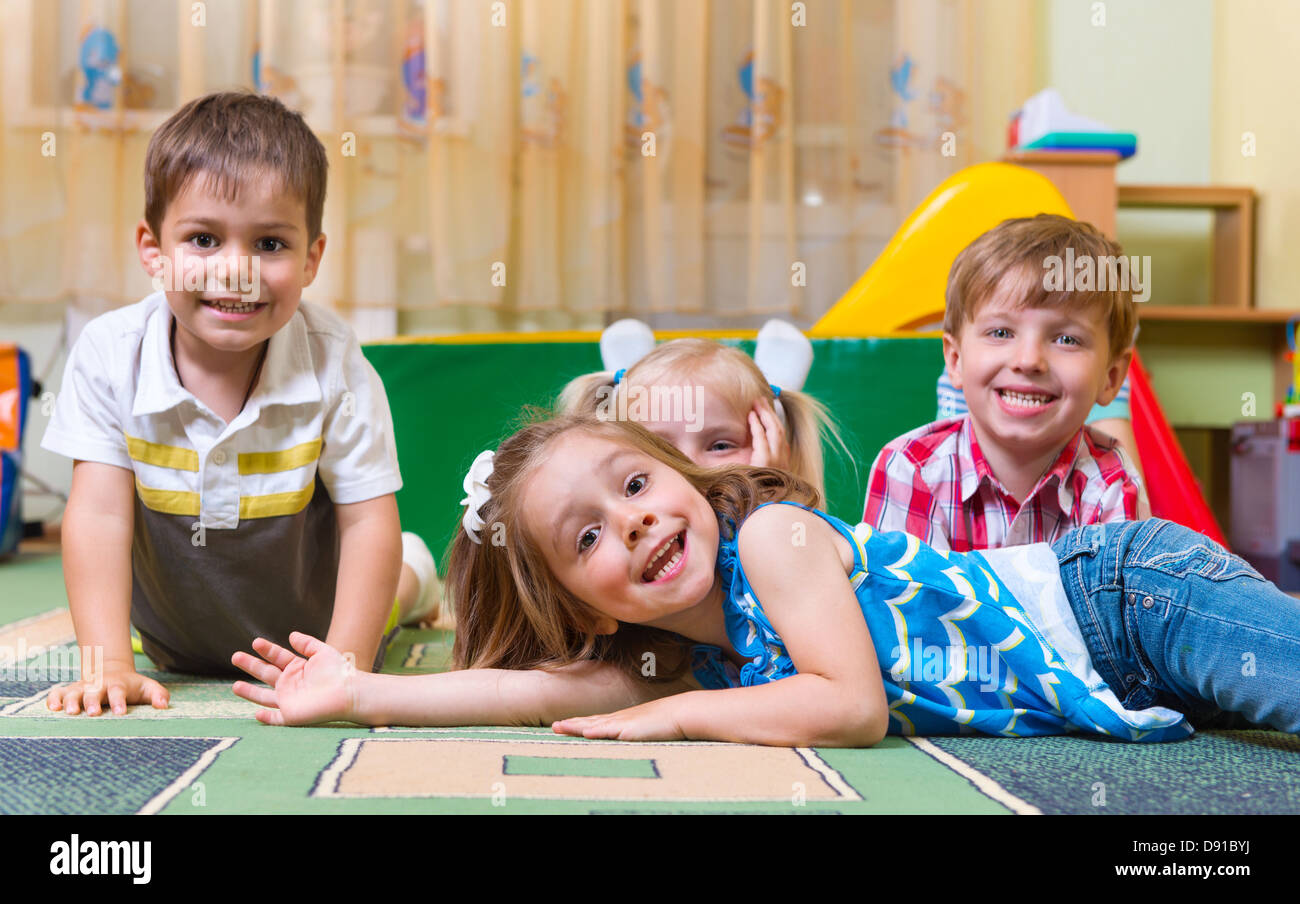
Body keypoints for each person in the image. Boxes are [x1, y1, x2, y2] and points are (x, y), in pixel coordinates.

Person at [230, 414, 1300, 743]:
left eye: (637, 482)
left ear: (682, 472)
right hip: (1116, 671)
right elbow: (529, 693)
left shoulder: (775, 541)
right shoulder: (690, 651)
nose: (635, 520)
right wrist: (359, 690)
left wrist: (677, 716)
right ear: (580, 607)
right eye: (589, 537)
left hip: (1123, 597)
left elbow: (850, 706)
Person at [41, 91, 439, 717]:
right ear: (153, 251)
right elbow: (97, 515)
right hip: (173, 639)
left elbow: (367, 523)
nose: (236, 271)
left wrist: (346, 669)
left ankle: (418, 577)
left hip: (313, 634)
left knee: (396, 581)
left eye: (270, 244)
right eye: (203, 239)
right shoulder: (110, 354)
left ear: (311, 259)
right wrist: (108, 663)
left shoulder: (334, 360)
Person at [865, 214, 1149, 552]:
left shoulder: (1113, 484)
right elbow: (903, 586)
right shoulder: (910, 470)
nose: (1028, 360)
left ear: (1111, 377)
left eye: (1066, 339)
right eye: (1001, 332)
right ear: (955, 360)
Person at [560, 319, 841, 498]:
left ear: (774, 446)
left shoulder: (800, 540)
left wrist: (768, 501)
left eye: (720, 446)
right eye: (658, 445)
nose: (688, 465)